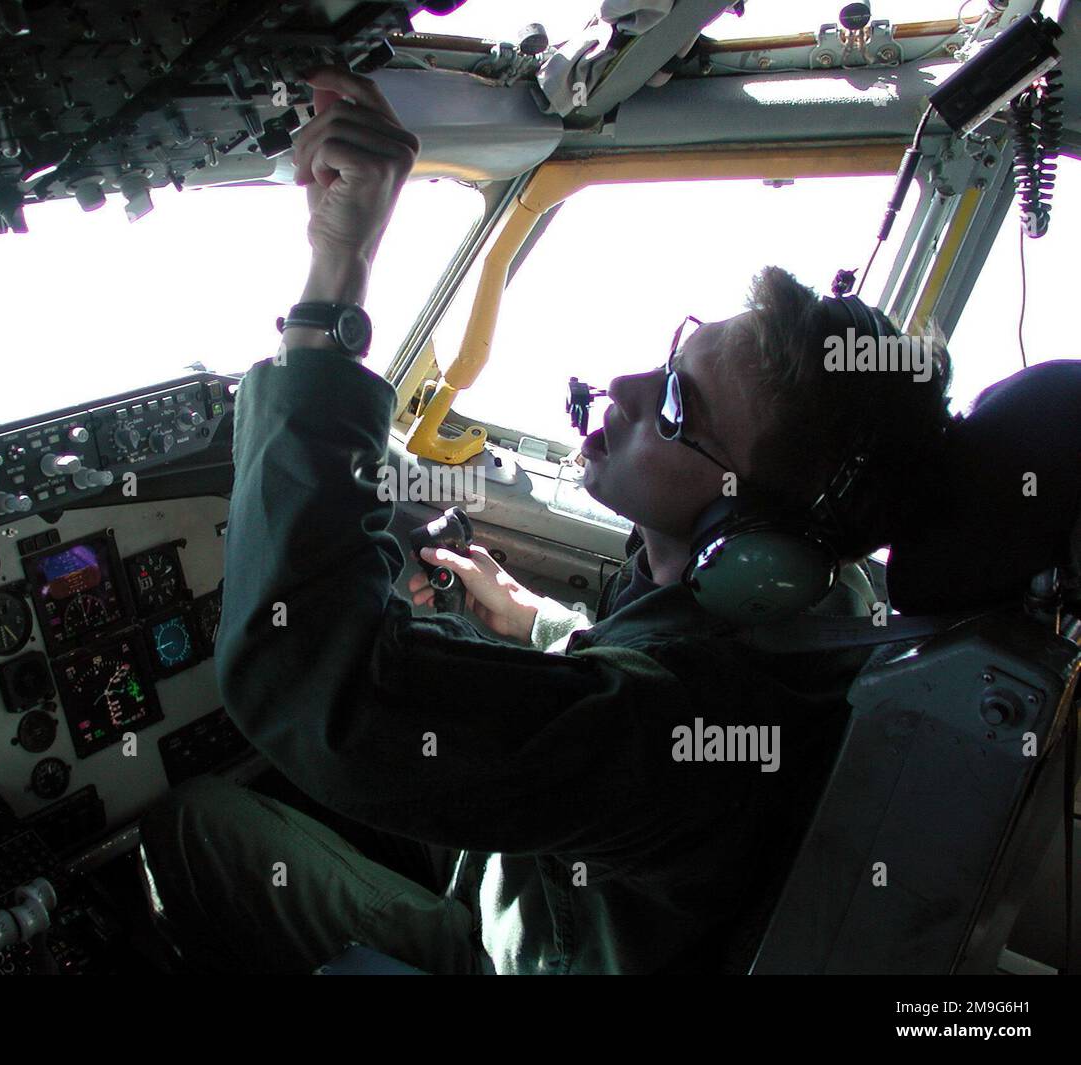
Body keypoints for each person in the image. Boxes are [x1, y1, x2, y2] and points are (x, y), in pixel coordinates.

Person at [139, 67, 952, 974]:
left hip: (517, 954)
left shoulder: (676, 726)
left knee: (196, 821)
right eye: (673, 356)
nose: (633, 385)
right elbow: (638, 695)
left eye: (681, 405)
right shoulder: (826, 607)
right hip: (561, 882)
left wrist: (337, 278)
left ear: (744, 543)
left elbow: (308, 683)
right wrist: (542, 622)